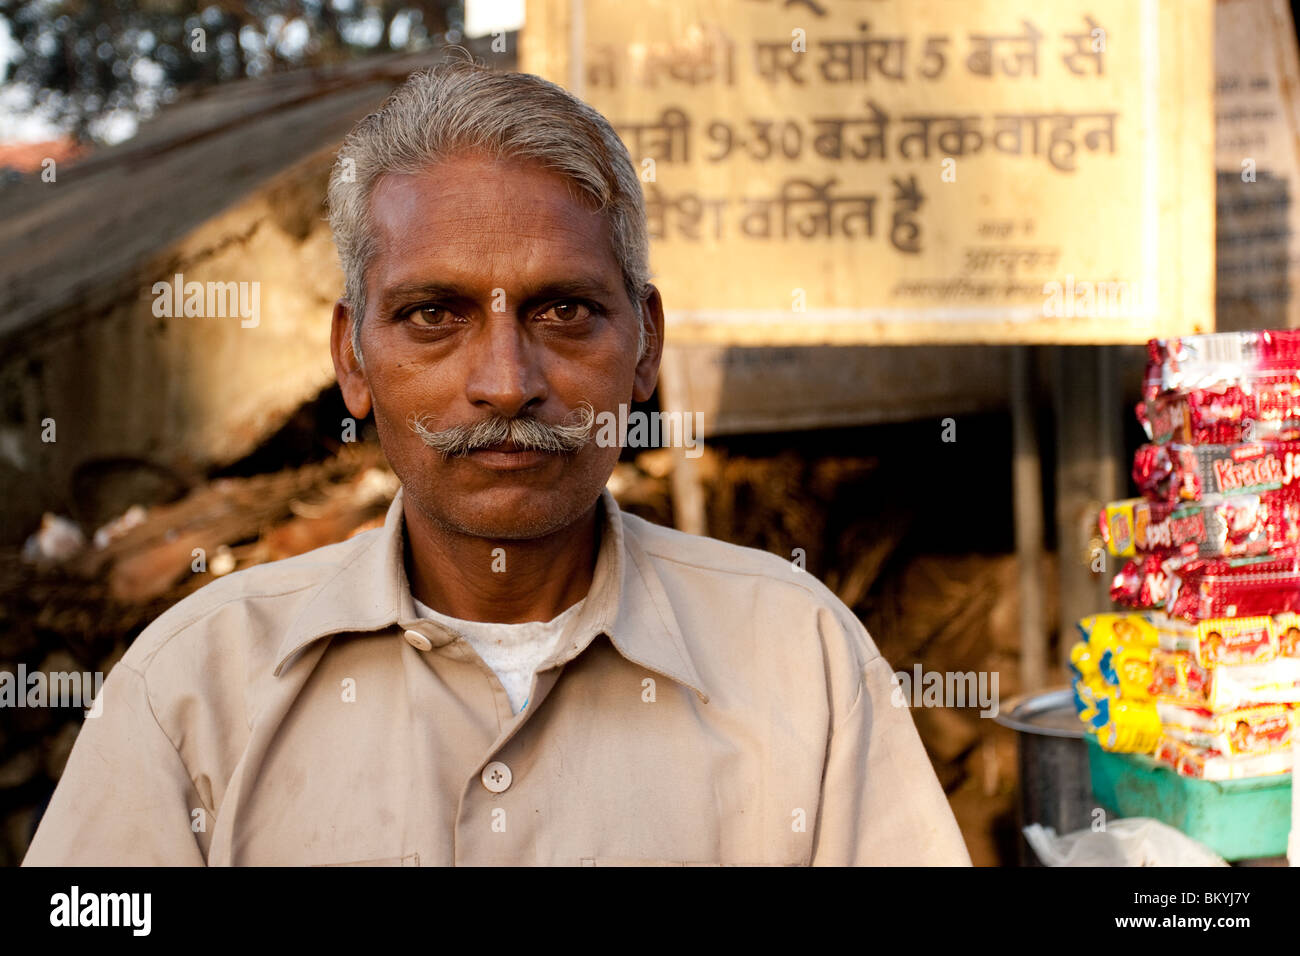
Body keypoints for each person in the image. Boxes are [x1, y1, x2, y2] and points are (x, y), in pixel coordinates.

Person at [24, 59, 971, 866]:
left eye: (564, 311)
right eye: (435, 314)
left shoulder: (799, 656)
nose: (506, 381)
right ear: (353, 358)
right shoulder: (192, 686)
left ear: (646, 346)